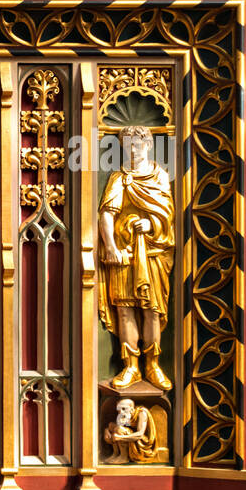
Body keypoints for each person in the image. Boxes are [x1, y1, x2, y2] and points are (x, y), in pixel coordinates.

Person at [97, 125, 174, 390]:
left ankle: (152, 365)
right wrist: (110, 247)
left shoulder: (160, 176)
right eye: (127, 144)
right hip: (125, 254)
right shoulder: (119, 178)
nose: (132, 149)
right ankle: (130, 365)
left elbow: (167, 214)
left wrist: (151, 225)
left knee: (152, 310)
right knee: (125, 310)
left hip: (152, 253)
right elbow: (107, 213)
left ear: (148, 145)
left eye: (137, 144)